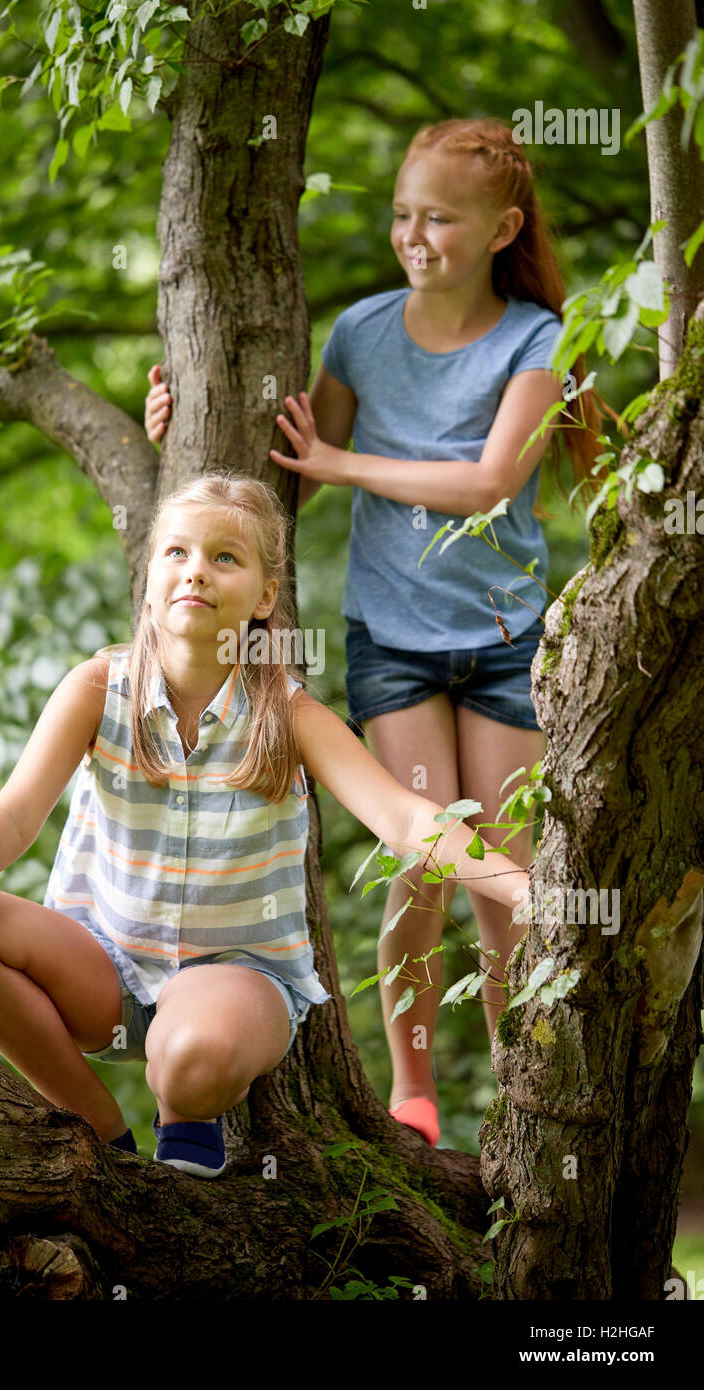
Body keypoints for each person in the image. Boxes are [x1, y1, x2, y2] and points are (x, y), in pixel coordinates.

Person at [0, 473, 532, 1176]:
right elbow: (15, 816)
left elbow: (404, 816)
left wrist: (526, 890)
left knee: (188, 1060)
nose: (196, 570)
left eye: (225, 557)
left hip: (233, 979)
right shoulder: (96, 688)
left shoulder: (285, 714)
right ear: (150, 579)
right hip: (102, 968)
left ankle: (184, 1127)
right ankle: (100, 1136)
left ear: (265, 597)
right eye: (177, 553)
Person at [143, 120, 600, 1148]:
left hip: (500, 634)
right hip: (392, 637)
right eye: (403, 214)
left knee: (505, 879)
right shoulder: (358, 332)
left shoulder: (533, 340)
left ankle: (523, 1102)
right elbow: (279, 470)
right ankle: (413, 1094)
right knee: (424, 857)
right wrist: (177, 422)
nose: (414, 234)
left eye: (439, 217)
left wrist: (342, 467)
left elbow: (488, 480)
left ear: (500, 229)